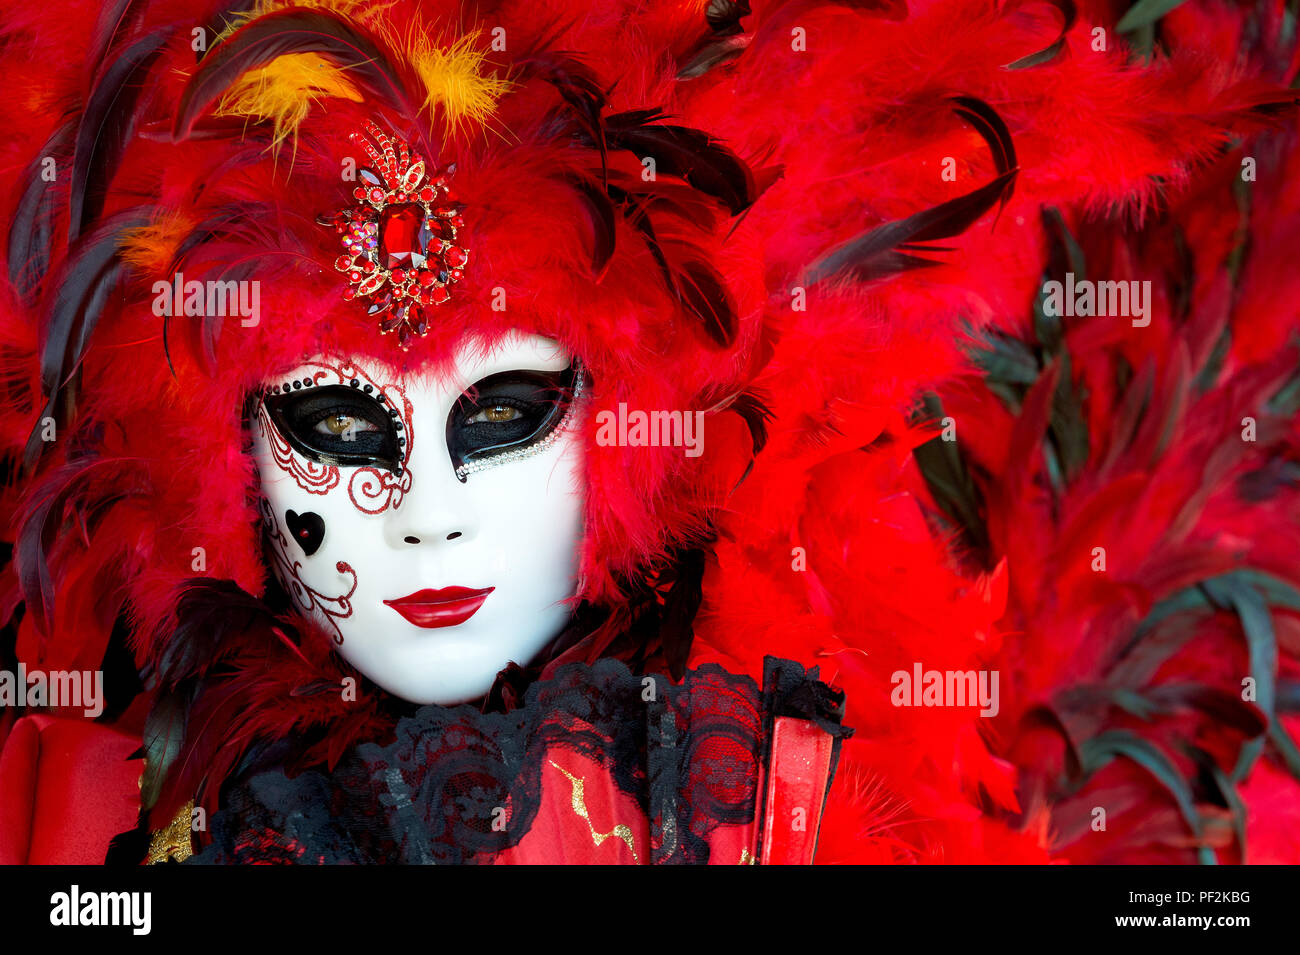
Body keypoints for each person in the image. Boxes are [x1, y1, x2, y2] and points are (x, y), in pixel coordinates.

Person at [2, 0, 1298, 864]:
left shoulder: (770, 803)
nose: (424, 511)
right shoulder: (83, 815)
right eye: (337, 427)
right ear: (216, 467)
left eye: (505, 416)